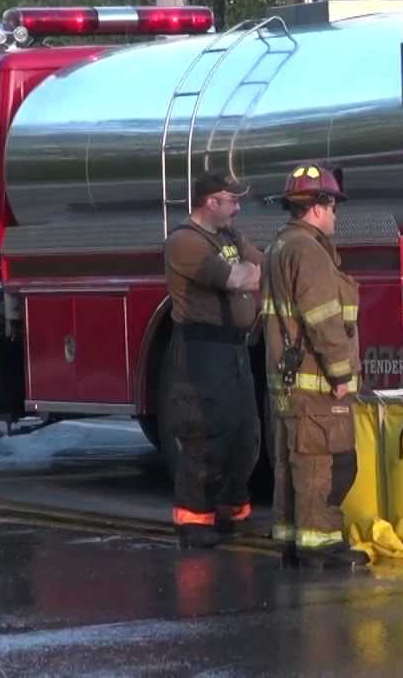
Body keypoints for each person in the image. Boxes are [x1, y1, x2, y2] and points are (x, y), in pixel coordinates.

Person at [262, 162, 369, 568]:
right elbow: (323, 318)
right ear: (318, 207)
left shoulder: (280, 246)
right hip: (316, 381)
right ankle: (321, 544)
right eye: (333, 206)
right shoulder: (308, 251)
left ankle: (294, 538)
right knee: (328, 461)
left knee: (296, 460)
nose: (336, 215)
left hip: (291, 381)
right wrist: (341, 373)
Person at [162, 170, 263, 549]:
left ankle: (231, 509)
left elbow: (259, 266)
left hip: (233, 349)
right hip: (201, 352)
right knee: (205, 432)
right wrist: (248, 272)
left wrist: (252, 270)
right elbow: (237, 278)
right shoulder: (185, 242)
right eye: (231, 201)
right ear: (210, 202)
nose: (238, 208)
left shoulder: (229, 236)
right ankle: (194, 519)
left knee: (244, 431)